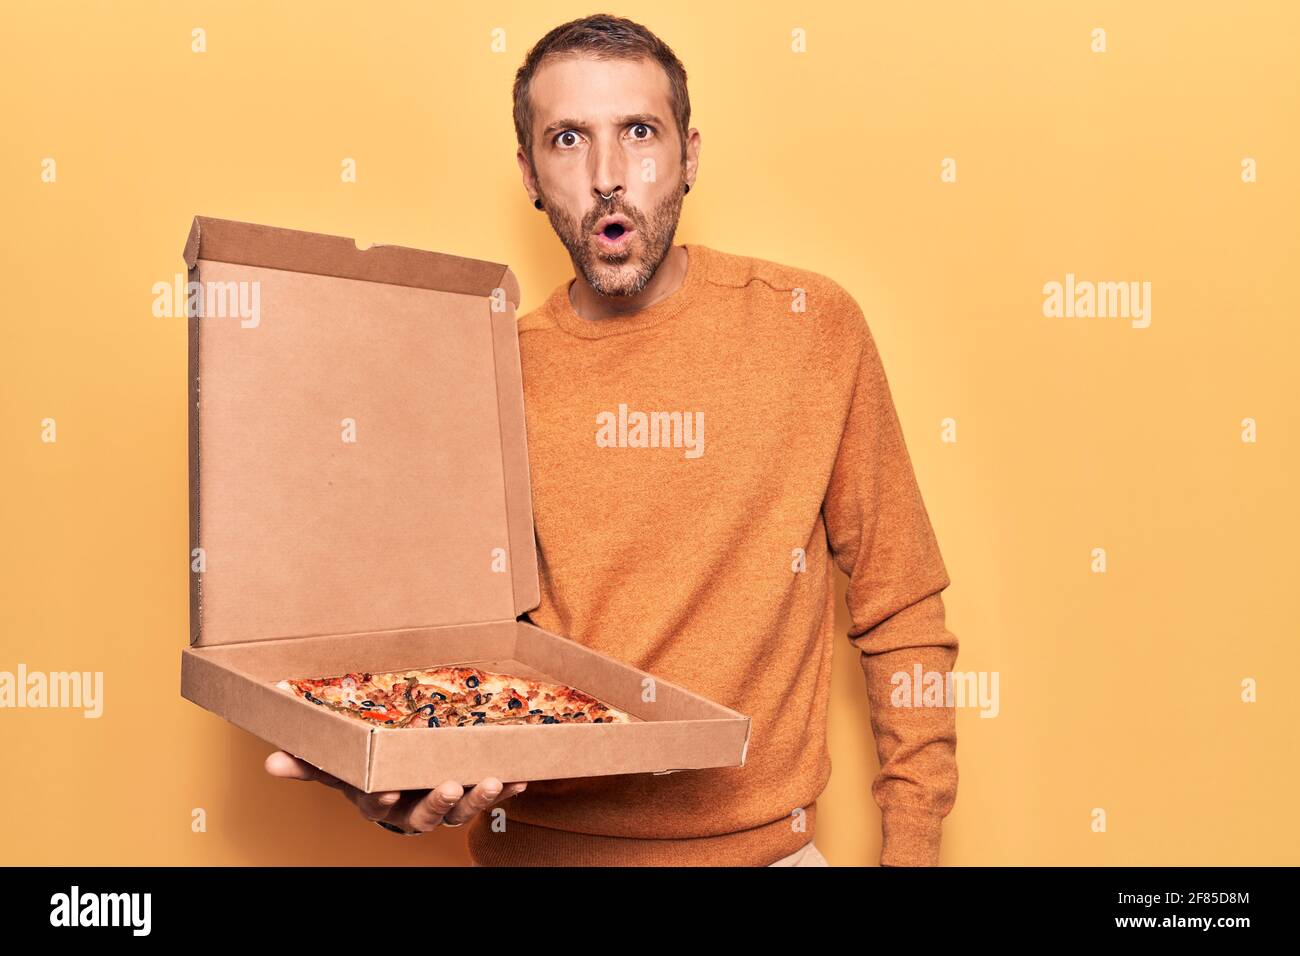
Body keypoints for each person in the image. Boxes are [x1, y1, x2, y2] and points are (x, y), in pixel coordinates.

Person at [267, 12, 958, 868]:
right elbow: (439, 649)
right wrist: (389, 780)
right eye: (567, 139)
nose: (606, 177)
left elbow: (903, 610)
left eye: (638, 131)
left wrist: (915, 854)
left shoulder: (809, 328)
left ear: (690, 154)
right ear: (528, 173)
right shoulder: (480, 375)